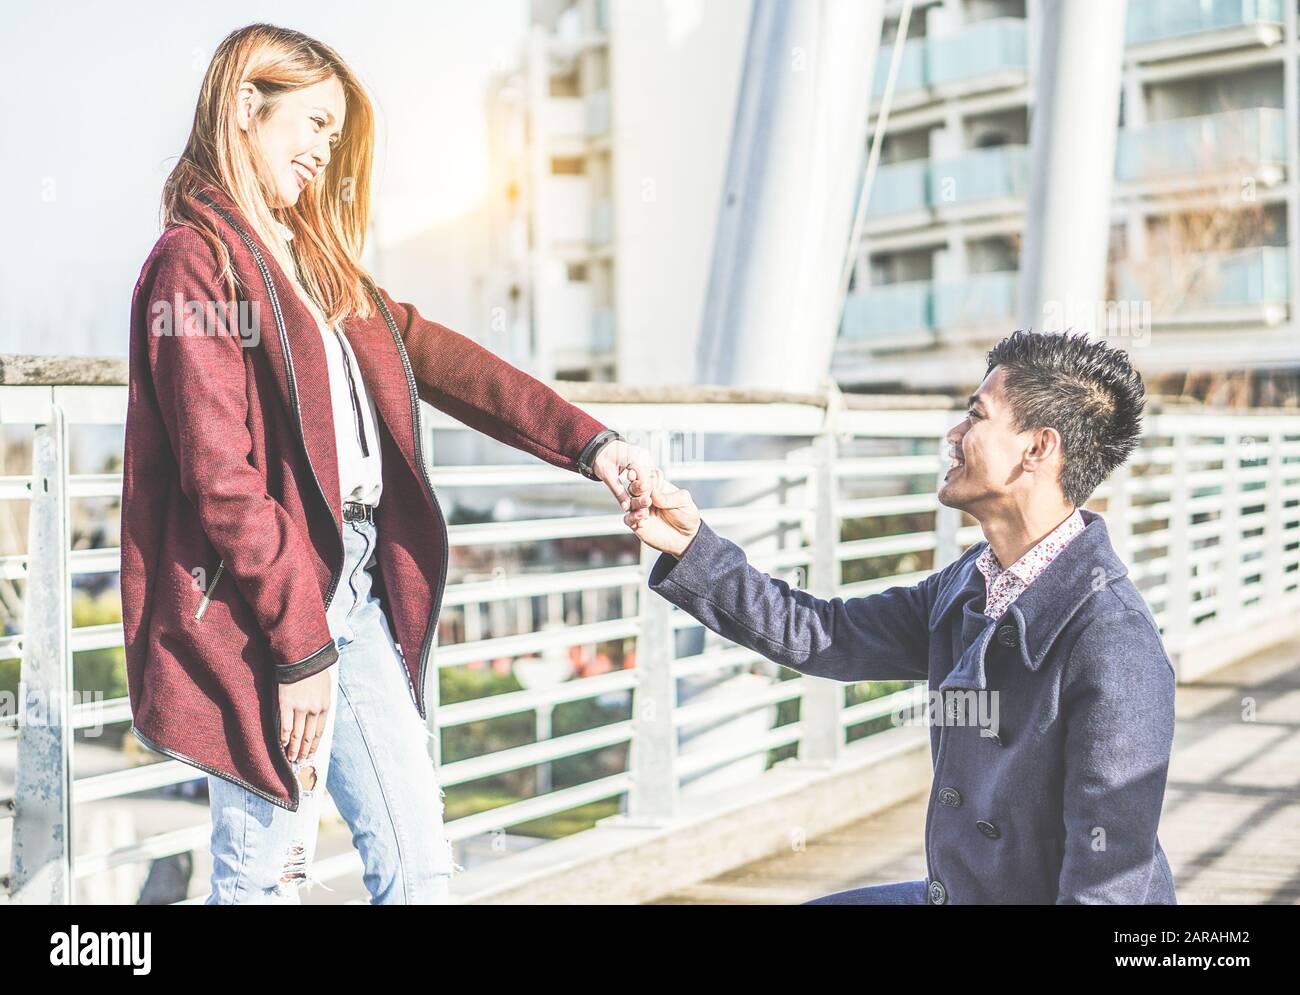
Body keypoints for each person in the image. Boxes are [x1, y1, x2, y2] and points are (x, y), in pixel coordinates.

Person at [120, 23, 657, 904]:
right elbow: (223, 479)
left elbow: (452, 364)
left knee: (419, 867)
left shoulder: (318, 266)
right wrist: (299, 648)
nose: (326, 153)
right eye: (314, 124)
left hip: (356, 591)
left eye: (338, 136)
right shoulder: (197, 261)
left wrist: (592, 444)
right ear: (248, 105)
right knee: (262, 881)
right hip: (269, 612)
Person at [624, 330, 1178, 905]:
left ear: (1037, 449)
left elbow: (1108, 883)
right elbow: (826, 634)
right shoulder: (973, 582)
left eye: (975, 416)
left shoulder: (1115, 640)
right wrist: (694, 550)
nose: (954, 434)